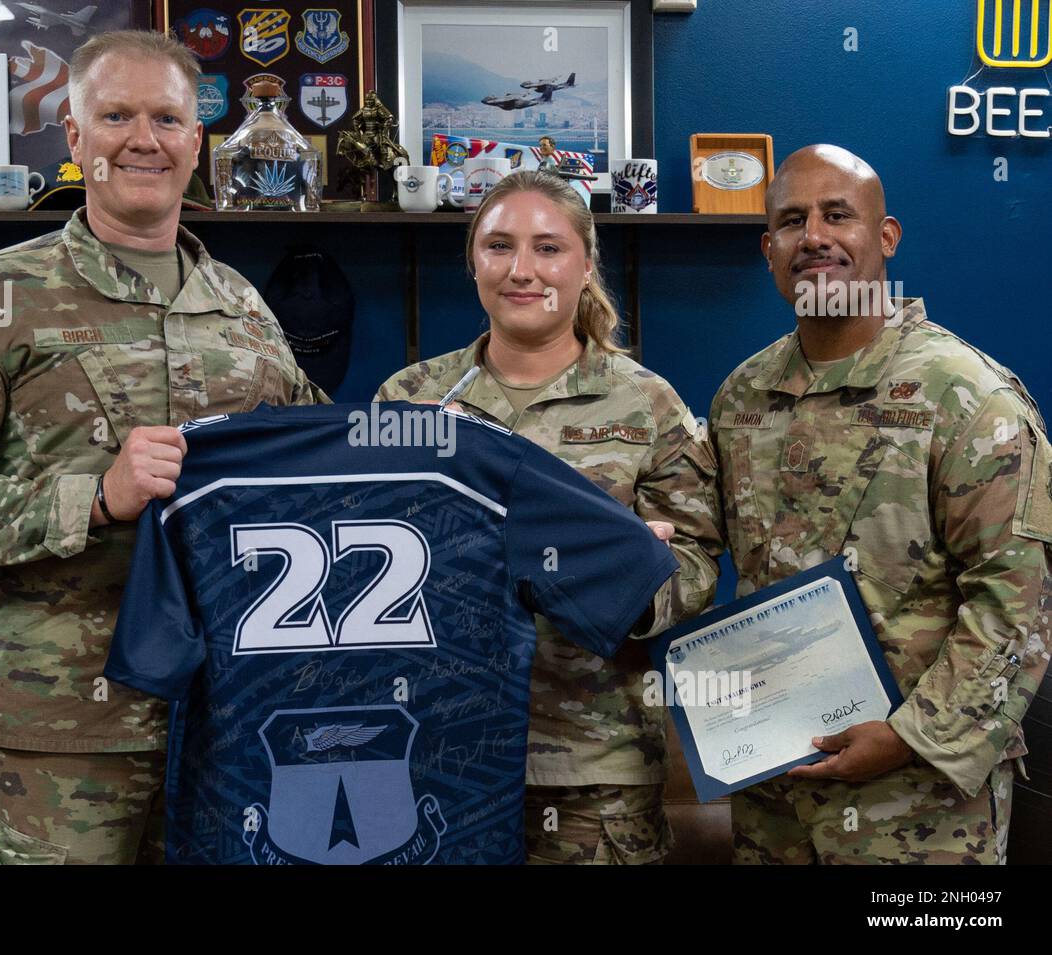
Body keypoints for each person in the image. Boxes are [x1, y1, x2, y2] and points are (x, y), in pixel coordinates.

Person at [0, 30, 328, 865]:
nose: (142, 139)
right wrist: (93, 496)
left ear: (196, 141)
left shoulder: (246, 309)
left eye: (166, 118)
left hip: (233, 723)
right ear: (75, 138)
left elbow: (321, 469)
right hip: (63, 734)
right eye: (115, 115)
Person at [711, 143, 1052, 864]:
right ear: (767, 246)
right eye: (792, 221)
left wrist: (906, 736)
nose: (814, 238)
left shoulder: (966, 396)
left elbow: (1017, 609)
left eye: (839, 215)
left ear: (886, 236)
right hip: (774, 798)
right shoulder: (741, 398)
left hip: (919, 811)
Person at [375, 169, 725, 864]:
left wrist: (626, 571)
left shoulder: (646, 404)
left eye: (548, 248)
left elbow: (697, 569)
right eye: (499, 246)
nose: (522, 270)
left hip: (595, 764)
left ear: (585, 265)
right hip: (439, 747)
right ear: (473, 260)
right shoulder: (410, 400)